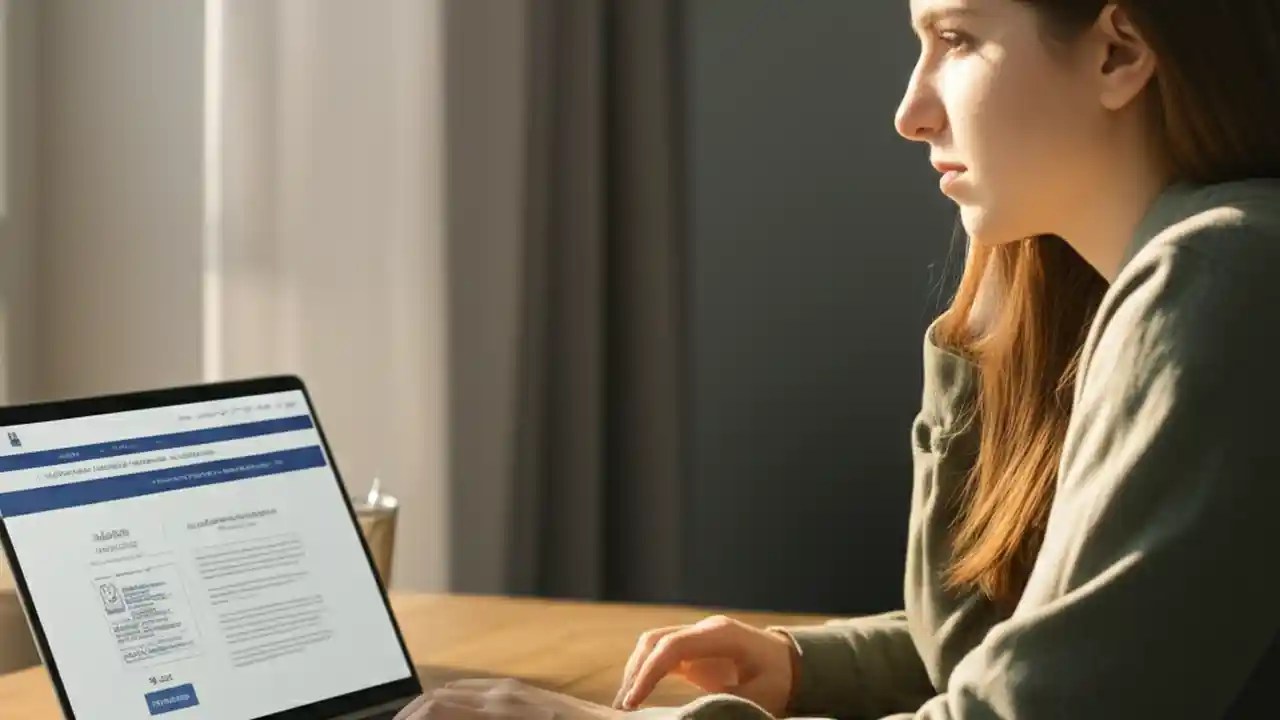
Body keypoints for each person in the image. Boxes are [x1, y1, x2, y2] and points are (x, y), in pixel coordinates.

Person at [395, 0, 1280, 717]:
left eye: (956, 39)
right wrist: (803, 669)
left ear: (1118, 53)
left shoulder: (1222, 277)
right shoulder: (1156, 280)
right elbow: (1002, 647)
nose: (910, 111)